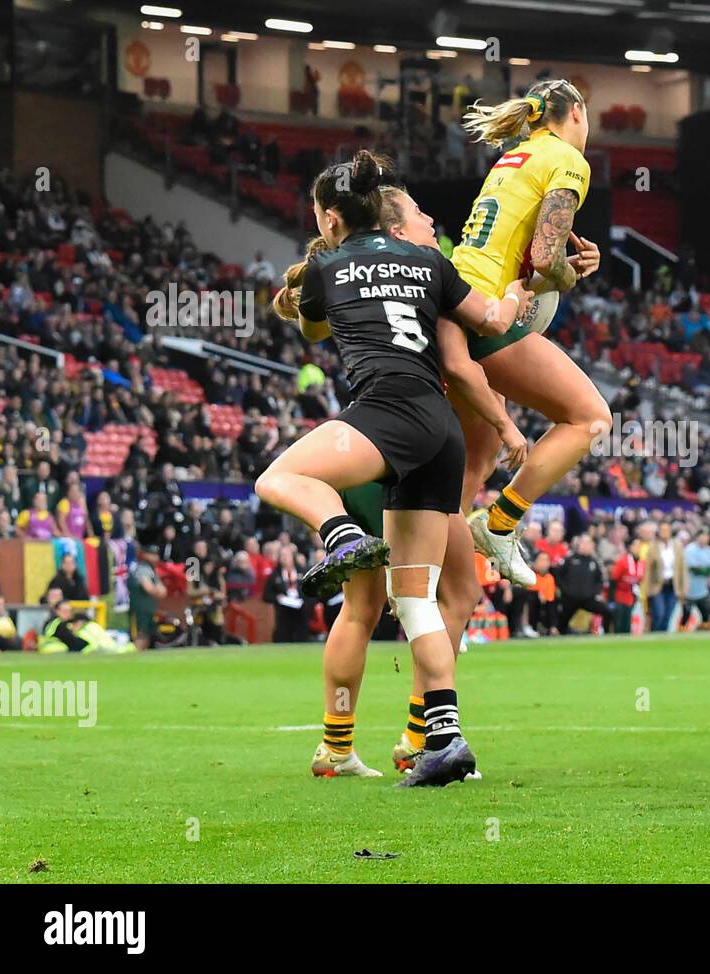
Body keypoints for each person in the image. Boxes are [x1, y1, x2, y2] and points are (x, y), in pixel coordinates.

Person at [255, 150, 532, 786]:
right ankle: (446, 741)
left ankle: (342, 537)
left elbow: (314, 331)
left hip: (385, 415)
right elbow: (492, 319)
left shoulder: (326, 265)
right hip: (441, 430)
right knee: (417, 602)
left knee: (281, 479)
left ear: (328, 217)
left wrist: (302, 294)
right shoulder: (430, 262)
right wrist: (522, 287)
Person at [453, 79, 611, 587]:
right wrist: (575, 271)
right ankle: (501, 523)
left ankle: (422, 591)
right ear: (577, 113)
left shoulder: (515, 156)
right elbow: (545, 259)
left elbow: (528, 254)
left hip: (455, 304)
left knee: (470, 468)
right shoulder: (568, 160)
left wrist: (559, 265)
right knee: (590, 418)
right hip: (486, 314)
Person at [554, 534, 610, 633]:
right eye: (584, 543)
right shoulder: (569, 559)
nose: (587, 545)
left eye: (589, 543)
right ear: (579, 544)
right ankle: (558, 637)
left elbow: (600, 580)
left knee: (607, 612)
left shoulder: (594, 562)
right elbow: (558, 575)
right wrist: (565, 590)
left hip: (587, 599)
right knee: (562, 621)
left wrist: (593, 592)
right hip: (570, 599)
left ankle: (607, 635)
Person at [643, 521, 684, 632]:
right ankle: (655, 633)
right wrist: (646, 589)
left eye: (667, 530)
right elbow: (648, 570)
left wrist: (683, 588)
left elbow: (682, 569)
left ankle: (663, 636)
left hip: (673, 585)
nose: (665, 533)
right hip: (658, 585)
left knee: (668, 614)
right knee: (658, 613)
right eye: (662, 530)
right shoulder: (653, 547)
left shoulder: (677, 547)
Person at [129, 545, 167, 651]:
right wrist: (158, 592)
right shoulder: (142, 568)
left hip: (149, 608)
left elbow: (163, 591)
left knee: (148, 634)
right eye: (152, 554)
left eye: (156, 555)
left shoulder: (152, 570)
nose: (155, 558)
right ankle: (134, 657)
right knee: (141, 634)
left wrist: (158, 591)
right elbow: (149, 588)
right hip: (140, 608)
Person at [680, 529, 710, 630]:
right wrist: (706, 570)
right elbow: (694, 569)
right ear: (697, 537)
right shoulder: (690, 549)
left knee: (706, 614)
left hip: (702, 590)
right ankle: (681, 631)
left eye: (707, 536)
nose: (705, 539)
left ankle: (702, 630)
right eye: (702, 536)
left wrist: (704, 569)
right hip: (689, 589)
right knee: (686, 615)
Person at [609, 537, 644, 634]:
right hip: (620, 596)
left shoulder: (642, 563)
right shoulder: (623, 562)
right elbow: (613, 579)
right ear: (630, 547)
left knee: (628, 623)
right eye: (635, 545)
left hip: (632, 597)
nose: (638, 548)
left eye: (639, 546)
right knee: (619, 623)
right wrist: (611, 599)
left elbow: (640, 580)